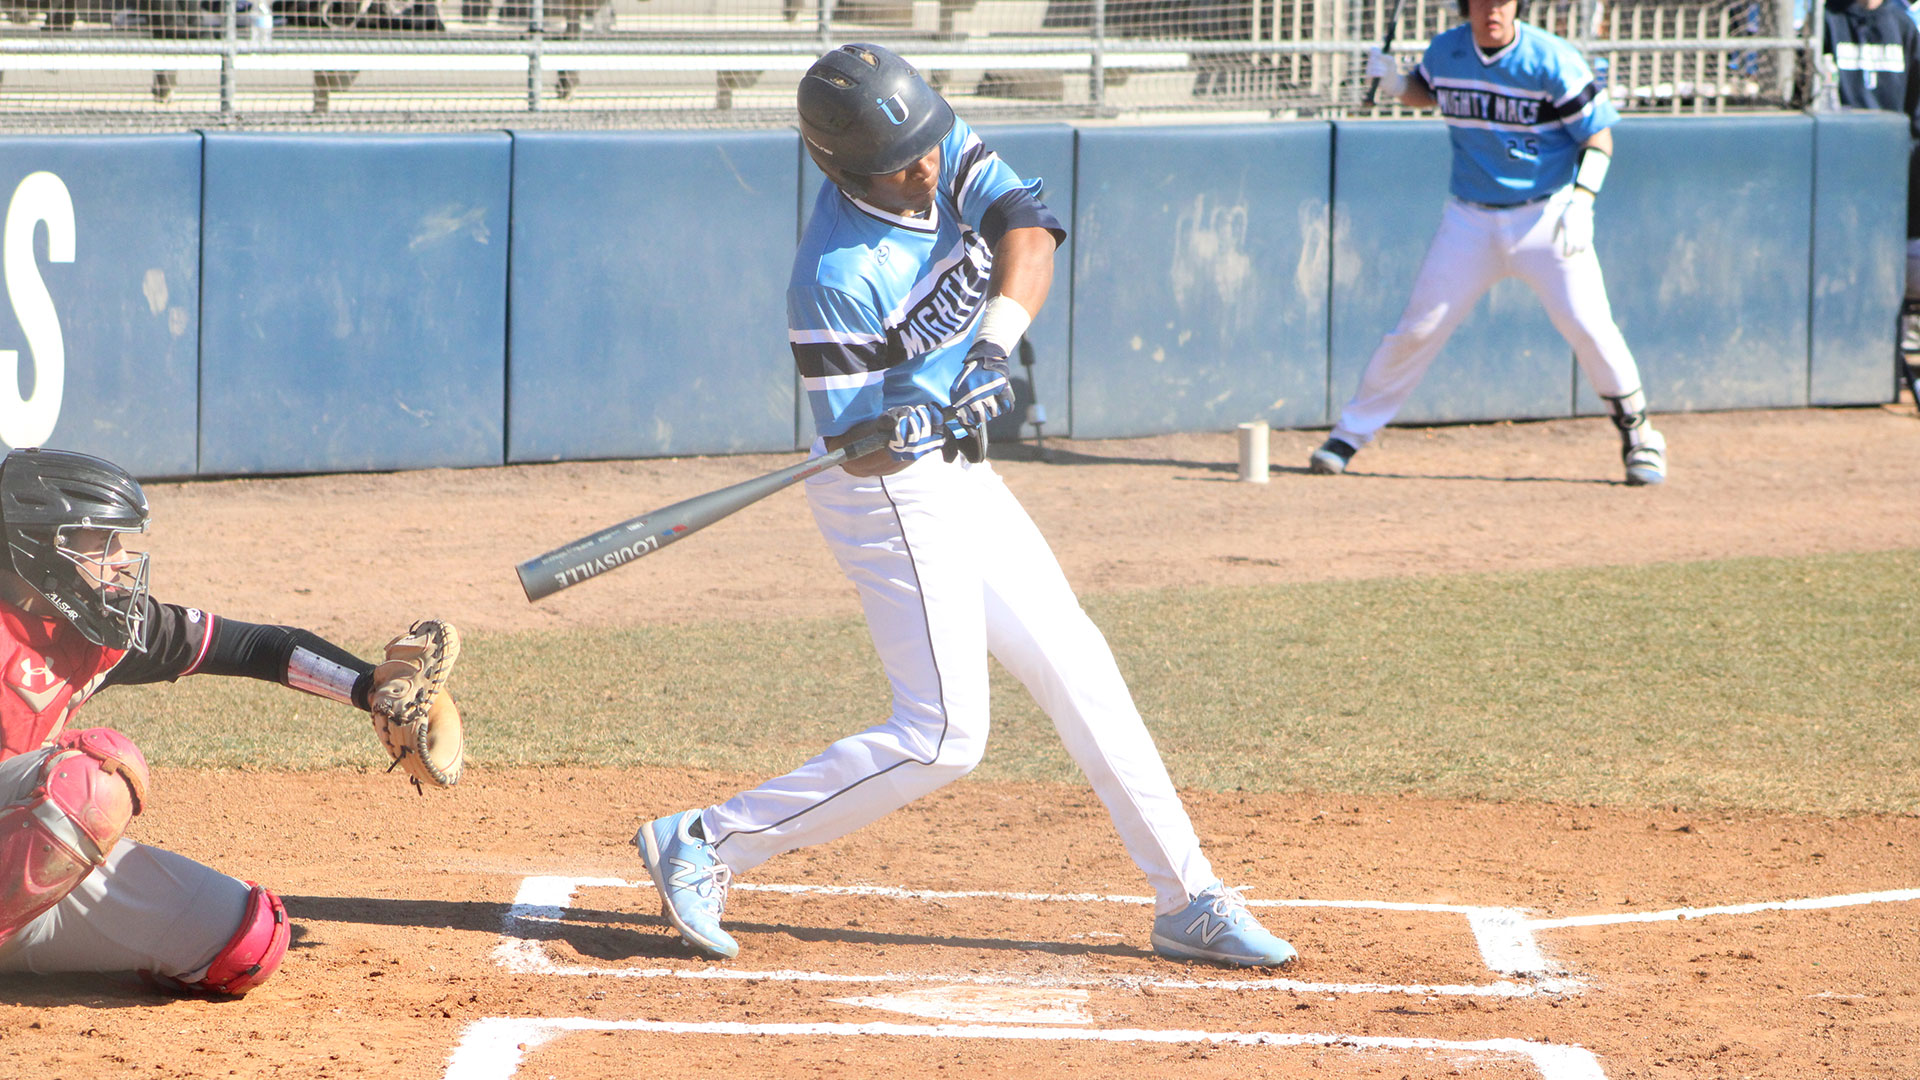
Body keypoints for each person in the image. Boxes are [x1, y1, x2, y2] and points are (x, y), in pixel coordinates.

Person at [631, 43, 1296, 970]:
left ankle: (1189, 899)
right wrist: (906, 418)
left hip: (962, 472)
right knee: (943, 735)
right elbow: (856, 454)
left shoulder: (933, 145)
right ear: (845, 163)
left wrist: (991, 348)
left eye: (932, 145)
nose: (930, 168)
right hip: (887, 492)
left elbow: (1028, 225)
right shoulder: (832, 275)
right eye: (906, 163)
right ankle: (706, 841)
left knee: (1082, 669)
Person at [0, 446, 460, 995]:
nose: (121, 558)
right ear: (38, 546)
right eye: (103, 541)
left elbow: (254, 647)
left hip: (20, 867)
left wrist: (369, 689)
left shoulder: (95, 629)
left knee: (247, 939)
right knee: (94, 778)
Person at [1311, 0, 1668, 485]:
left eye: (1501, 1)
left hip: (1546, 214)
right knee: (1417, 328)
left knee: (1589, 326)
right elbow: (1429, 92)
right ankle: (1348, 435)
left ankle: (1641, 438)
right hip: (1469, 219)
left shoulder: (1551, 58)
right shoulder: (1447, 50)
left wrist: (1582, 200)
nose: (1491, 11)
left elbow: (1598, 138)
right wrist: (1397, 83)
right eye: (1481, 2)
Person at [1820, 0, 1920, 353]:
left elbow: (1915, 113)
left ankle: (1899, 343)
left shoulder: (1903, 26)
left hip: (1894, 177)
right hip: (1839, 171)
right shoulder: (1827, 21)